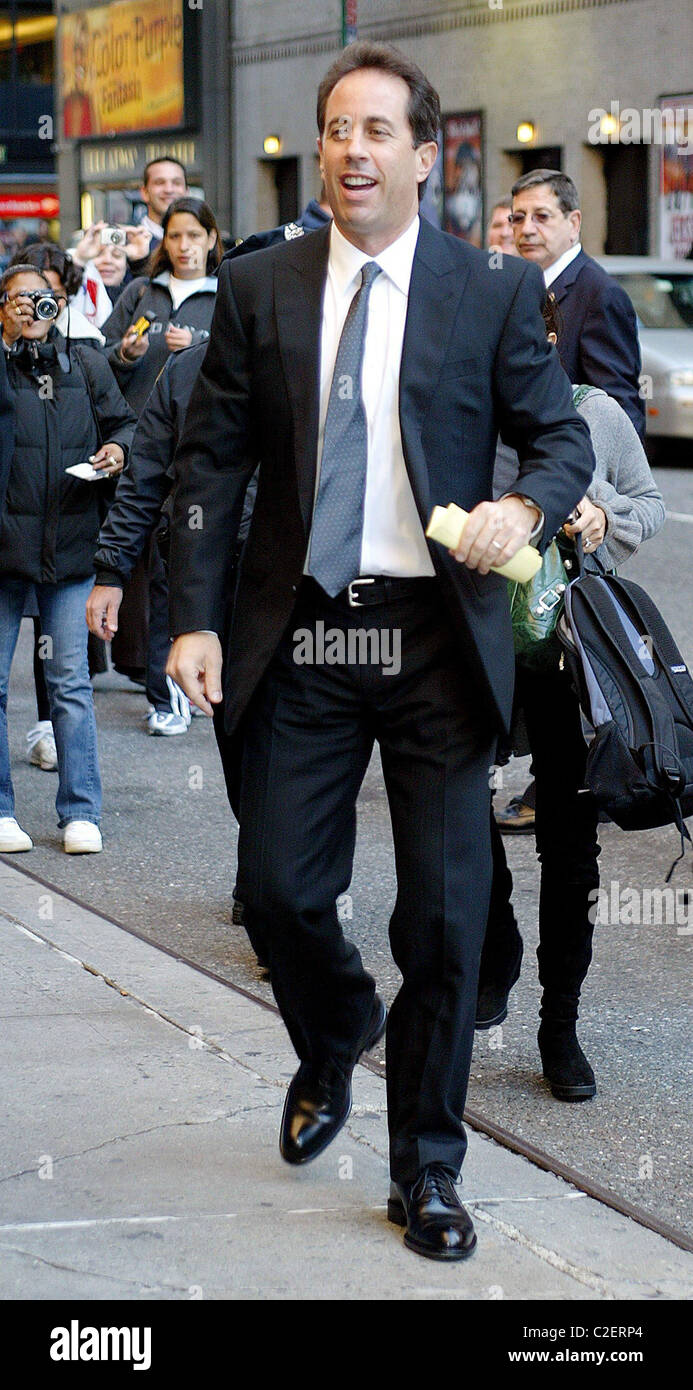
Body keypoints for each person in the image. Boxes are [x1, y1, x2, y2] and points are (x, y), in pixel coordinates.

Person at [164, 41, 594, 1261]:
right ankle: (336, 1025)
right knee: (282, 893)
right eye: (335, 129)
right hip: (303, 633)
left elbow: (558, 441)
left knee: (447, 928)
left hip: (436, 644)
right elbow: (211, 464)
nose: (352, 150)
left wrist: (530, 506)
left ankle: (429, 1170)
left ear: (423, 152)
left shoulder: (492, 291)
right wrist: (193, 616)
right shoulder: (261, 288)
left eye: (376, 131)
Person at [477, 292, 665, 1101]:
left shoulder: (594, 414)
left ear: (549, 338)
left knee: (569, 838)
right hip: (475, 642)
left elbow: (649, 508)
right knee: (451, 813)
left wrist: (599, 513)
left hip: (568, 650)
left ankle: (560, 1024)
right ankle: (494, 944)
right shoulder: (460, 412)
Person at [0, 266, 135, 854]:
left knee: (70, 683)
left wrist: (116, 450)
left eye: (45, 299)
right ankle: (1, 812)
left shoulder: (84, 363)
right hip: (4, 548)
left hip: (73, 542)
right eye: (21, 299)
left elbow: (125, 422)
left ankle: (81, 812)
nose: (34, 309)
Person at [102, 197, 221, 733]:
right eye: (175, 236)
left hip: (205, 449)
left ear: (211, 240)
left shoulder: (227, 293)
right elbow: (99, 357)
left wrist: (197, 344)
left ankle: (200, 681)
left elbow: (244, 355)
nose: (184, 245)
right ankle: (161, 692)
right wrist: (127, 352)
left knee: (188, 568)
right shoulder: (140, 293)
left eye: (194, 235)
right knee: (151, 568)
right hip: (142, 440)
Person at [510, 169, 645, 438]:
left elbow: (618, 409)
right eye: (518, 218)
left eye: (541, 217)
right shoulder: (519, 285)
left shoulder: (600, 294)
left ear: (574, 223)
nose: (526, 229)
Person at [127, 158, 189, 276]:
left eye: (176, 183)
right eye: (160, 183)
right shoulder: (128, 242)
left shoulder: (202, 242)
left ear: (186, 192)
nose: (169, 190)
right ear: (144, 193)